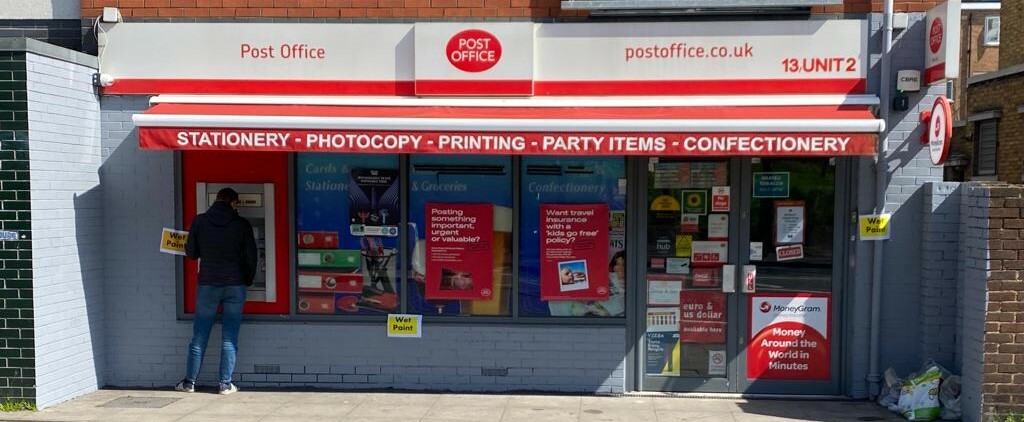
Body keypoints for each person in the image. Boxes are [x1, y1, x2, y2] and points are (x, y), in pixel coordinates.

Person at [176, 188, 257, 395]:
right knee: (229, 337)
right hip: (234, 285)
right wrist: (247, 280)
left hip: (208, 284)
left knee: (199, 336)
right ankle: (224, 384)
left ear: (215, 200)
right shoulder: (241, 224)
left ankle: (189, 383)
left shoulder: (199, 221)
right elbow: (251, 257)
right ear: (234, 203)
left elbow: (191, 254)